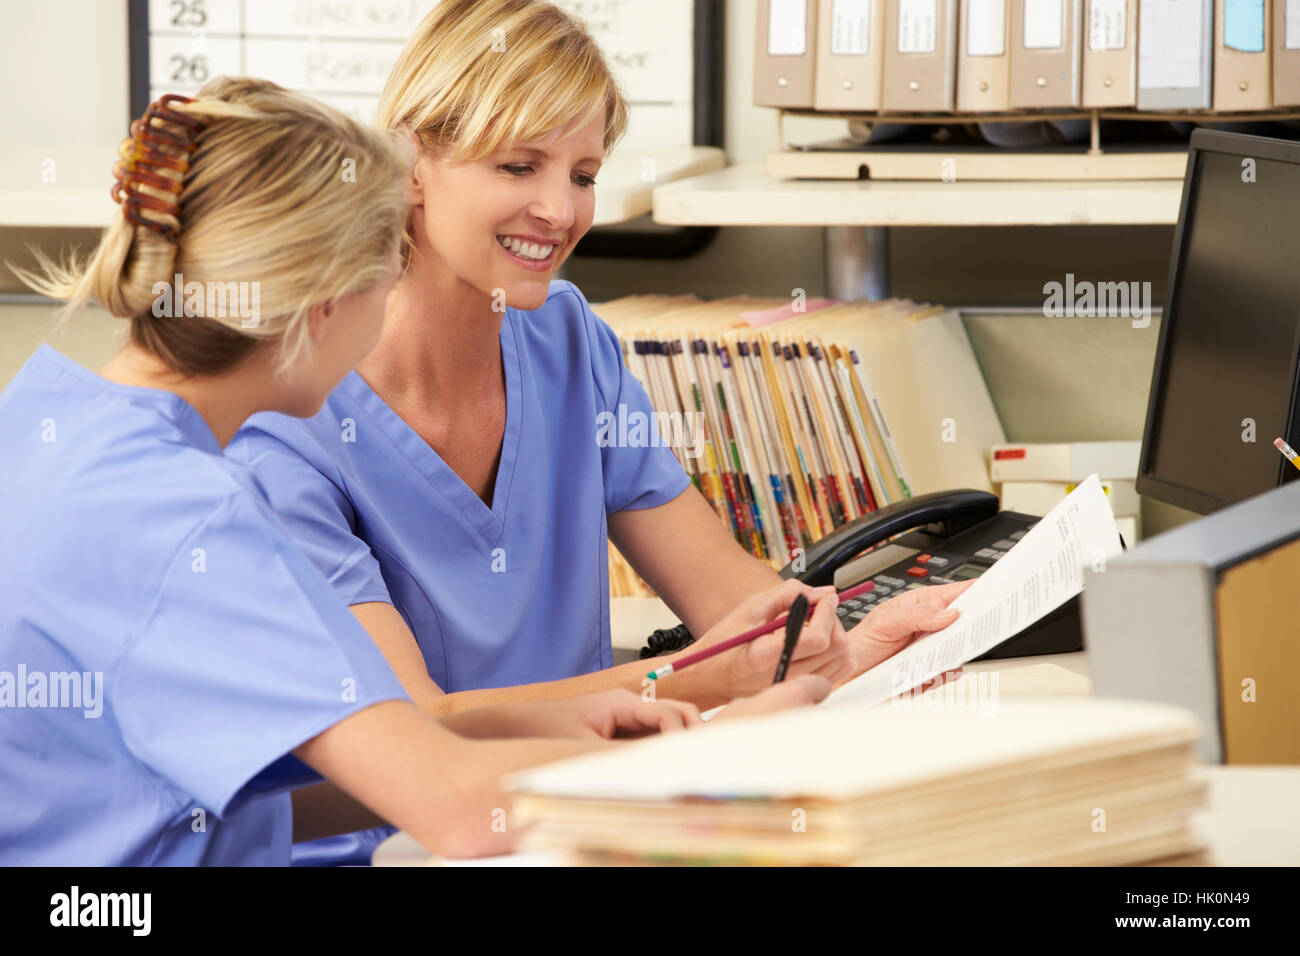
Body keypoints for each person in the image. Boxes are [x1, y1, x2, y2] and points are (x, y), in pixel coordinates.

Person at [0, 78, 833, 865]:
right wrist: (717, 754)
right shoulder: (189, 520)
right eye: (389, 271)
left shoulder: (44, 423)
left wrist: (548, 726)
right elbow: (459, 812)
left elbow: (268, 794)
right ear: (325, 306)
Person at [227, 0, 969, 863]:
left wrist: (847, 645)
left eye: (582, 174)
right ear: (412, 163)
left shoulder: (567, 339)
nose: (558, 208)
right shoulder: (289, 420)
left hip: (584, 827)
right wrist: (687, 677)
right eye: (518, 165)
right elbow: (415, 730)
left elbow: (740, 612)